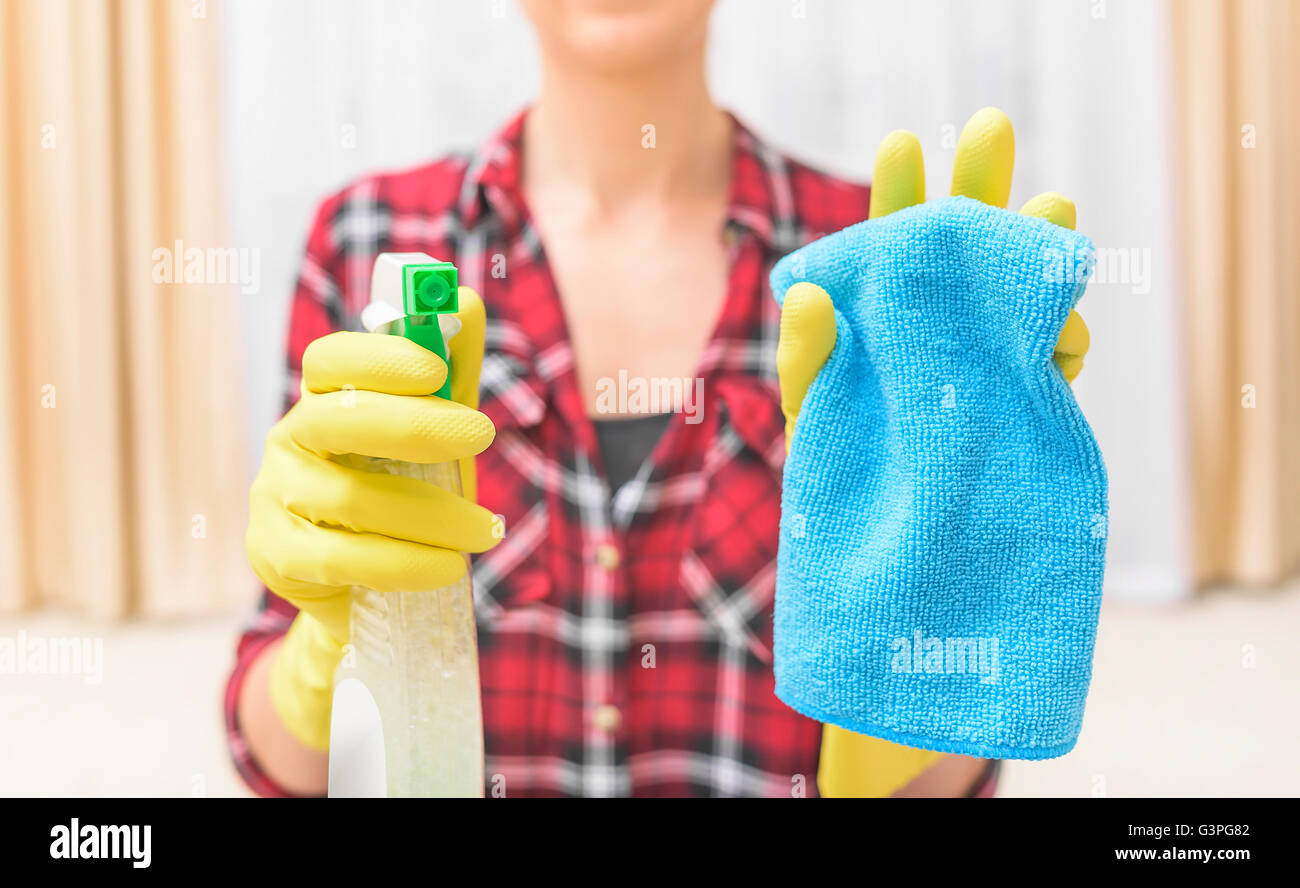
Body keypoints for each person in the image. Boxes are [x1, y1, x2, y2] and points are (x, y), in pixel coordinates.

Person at [229, 0, 1087, 797]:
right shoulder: (370, 242)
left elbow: (941, 786)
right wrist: (325, 652)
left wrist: (929, 683)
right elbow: (283, 762)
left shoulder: (878, 271)